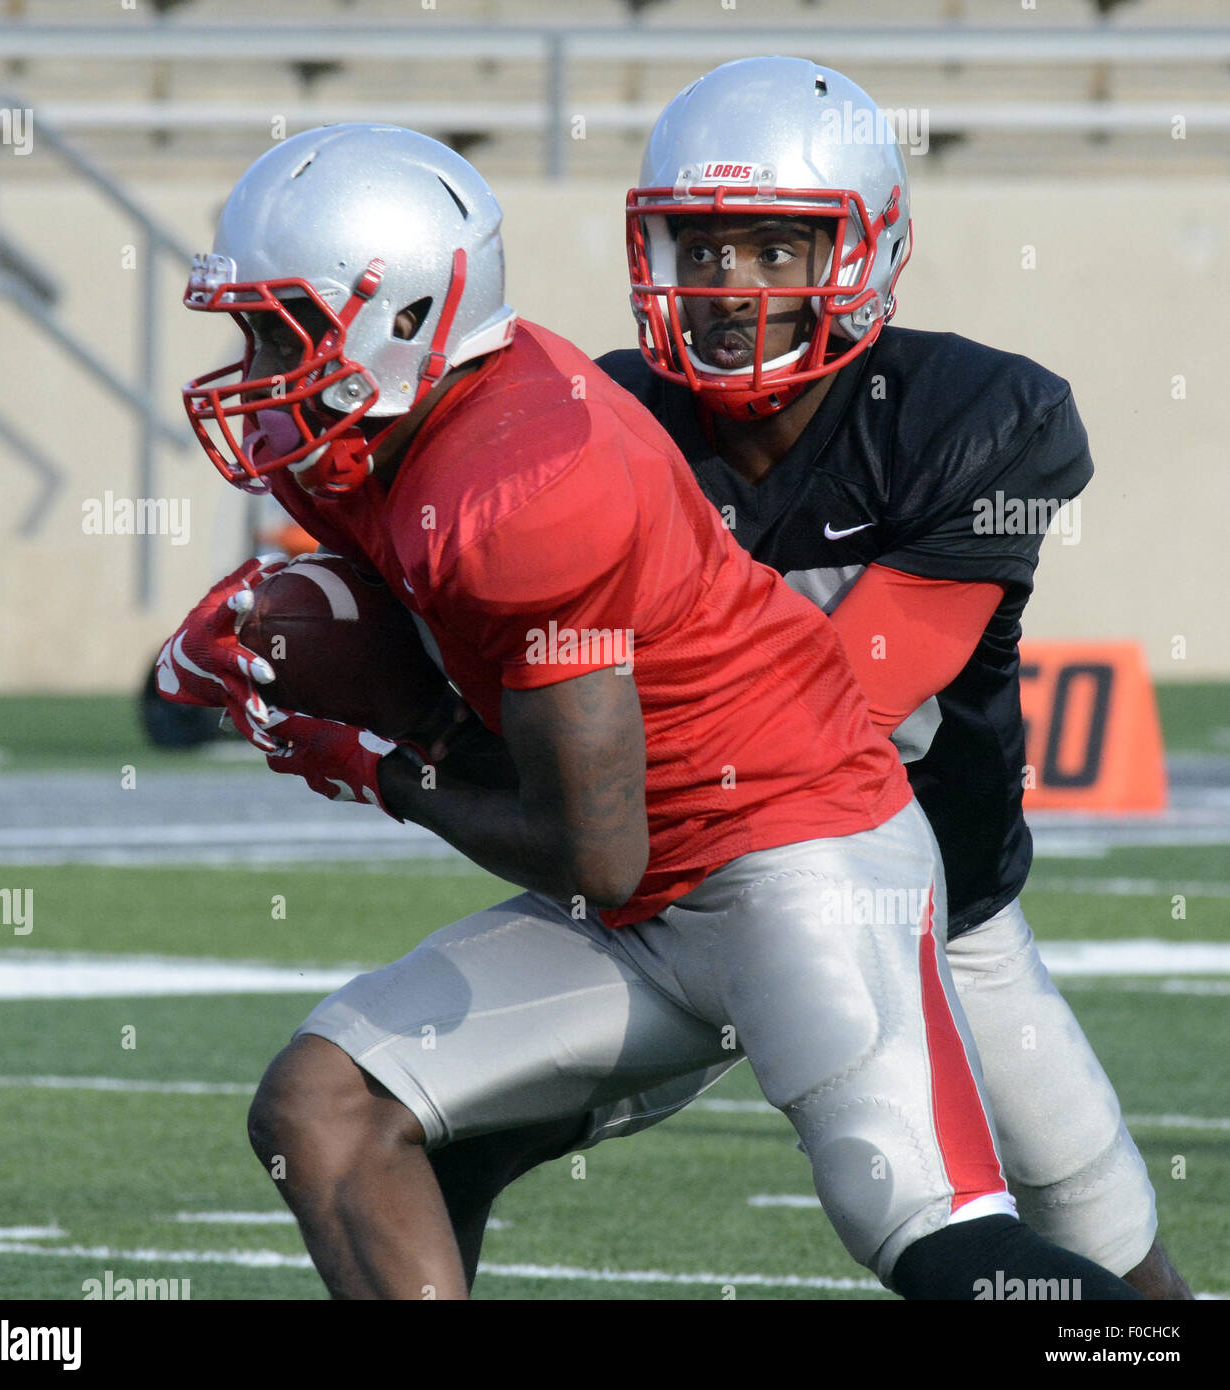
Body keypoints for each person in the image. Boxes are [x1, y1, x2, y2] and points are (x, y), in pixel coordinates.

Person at [158, 122, 1142, 1301]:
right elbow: (438, 648)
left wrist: (372, 764)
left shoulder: (522, 483)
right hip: (650, 893)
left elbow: (595, 854)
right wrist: (267, 626)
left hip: (797, 858)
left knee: (940, 1244)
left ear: (404, 318)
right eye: (249, 327)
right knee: (325, 1109)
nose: (256, 362)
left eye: (281, 328)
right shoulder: (375, 435)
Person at [429, 56, 1186, 1300]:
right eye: (704, 249)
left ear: (870, 247)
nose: (731, 291)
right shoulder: (603, 417)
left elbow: (830, 708)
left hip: (929, 898)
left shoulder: (972, 415)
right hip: (673, 902)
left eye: (779, 250)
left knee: (1093, 1239)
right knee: (405, 1122)